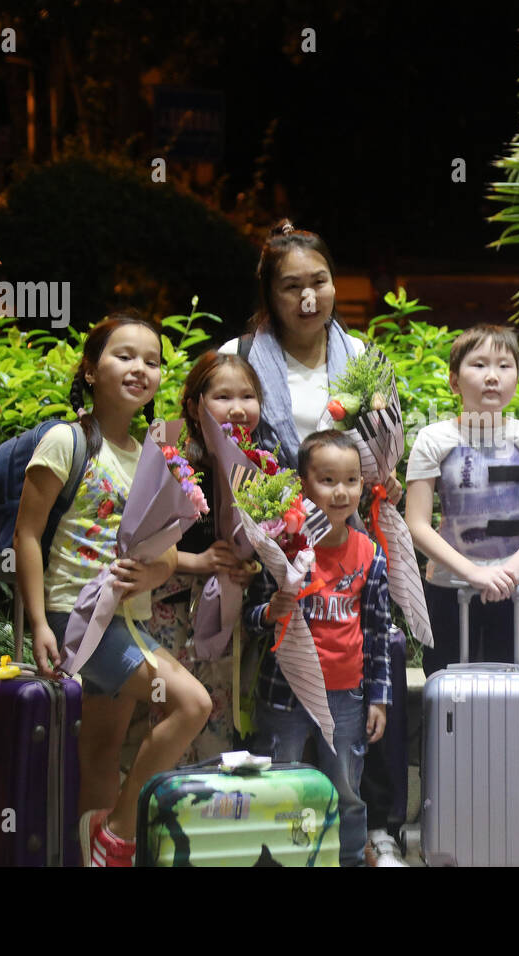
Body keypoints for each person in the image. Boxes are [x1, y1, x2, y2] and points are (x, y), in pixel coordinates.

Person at [222, 219, 407, 865]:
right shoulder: (242, 355)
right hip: (278, 544)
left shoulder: (364, 360)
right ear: (270, 294)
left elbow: (388, 455)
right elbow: (221, 442)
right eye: (291, 286)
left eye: (319, 282)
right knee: (278, 673)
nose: (308, 298)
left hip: (354, 541)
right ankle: (269, 843)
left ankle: (370, 828)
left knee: (365, 664)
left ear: (335, 284)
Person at [15, 310, 212, 867]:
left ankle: (94, 856)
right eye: (124, 355)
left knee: (101, 748)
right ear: (91, 367)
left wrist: (156, 571)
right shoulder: (65, 440)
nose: (139, 369)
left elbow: (166, 546)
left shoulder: (157, 454)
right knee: (191, 703)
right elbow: (27, 534)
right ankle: (119, 834)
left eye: (151, 361)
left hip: (130, 619)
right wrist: (37, 623)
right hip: (75, 618)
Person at [244, 429, 393, 867]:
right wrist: (271, 610)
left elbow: (379, 633)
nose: (340, 491)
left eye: (351, 480)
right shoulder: (283, 549)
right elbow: (251, 617)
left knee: (346, 789)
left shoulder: (370, 554)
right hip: (284, 692)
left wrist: (379, 697)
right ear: (303, 485)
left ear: (362, 486)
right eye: (327, 480)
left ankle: (348, 857)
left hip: (344, 695)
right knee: (276, 784)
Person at [405, 324, 519, 673]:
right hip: (449, 587)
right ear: (454, 380)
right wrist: (474, 573)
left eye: (504, 366)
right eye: (479, 365)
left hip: (514, 589)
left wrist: (512, 570)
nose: (493, 376)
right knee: (448, 697)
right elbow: (416, 524)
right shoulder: (433, 438)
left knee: (513, 696)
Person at [145, 350, 267, 761]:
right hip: (171, 616)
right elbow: (134, 548)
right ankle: (160, 815)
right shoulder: (171, 462)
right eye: (222, 397)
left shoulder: (262, 468)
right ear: (196, 407)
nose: (237, 409)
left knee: (219, 729)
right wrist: (196, 562)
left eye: (248, 397)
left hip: (226, 620)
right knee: (173, 723)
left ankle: (208, 815)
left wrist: (250, 565)